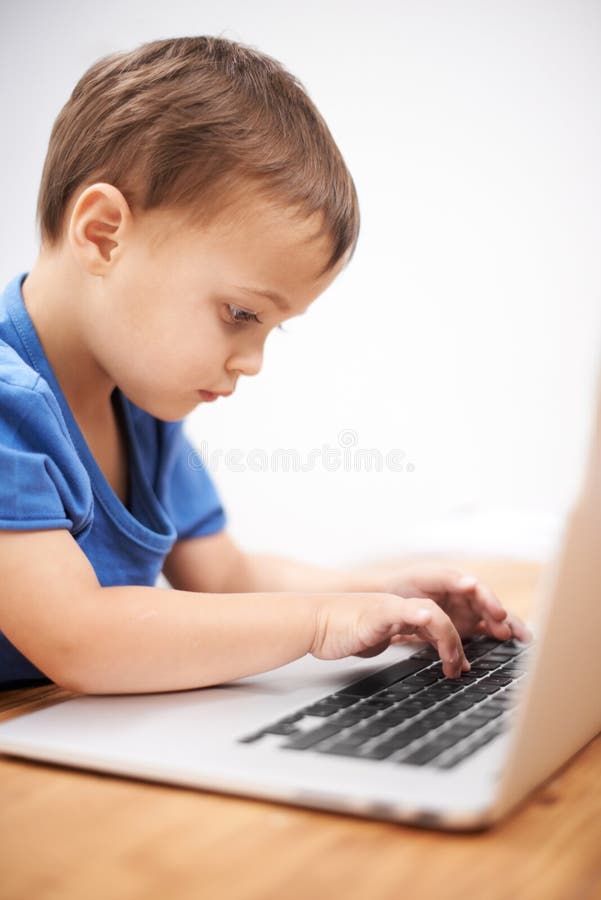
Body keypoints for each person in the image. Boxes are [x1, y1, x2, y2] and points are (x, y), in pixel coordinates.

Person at [0, 36, 530, 693]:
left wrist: (379, 595)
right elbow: (78, 637)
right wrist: (315, 623)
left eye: (272, 330)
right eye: (241, 314)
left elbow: (224, 577)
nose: (251, 362)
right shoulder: (6, 401)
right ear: (104, 233)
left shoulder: (139, 404)